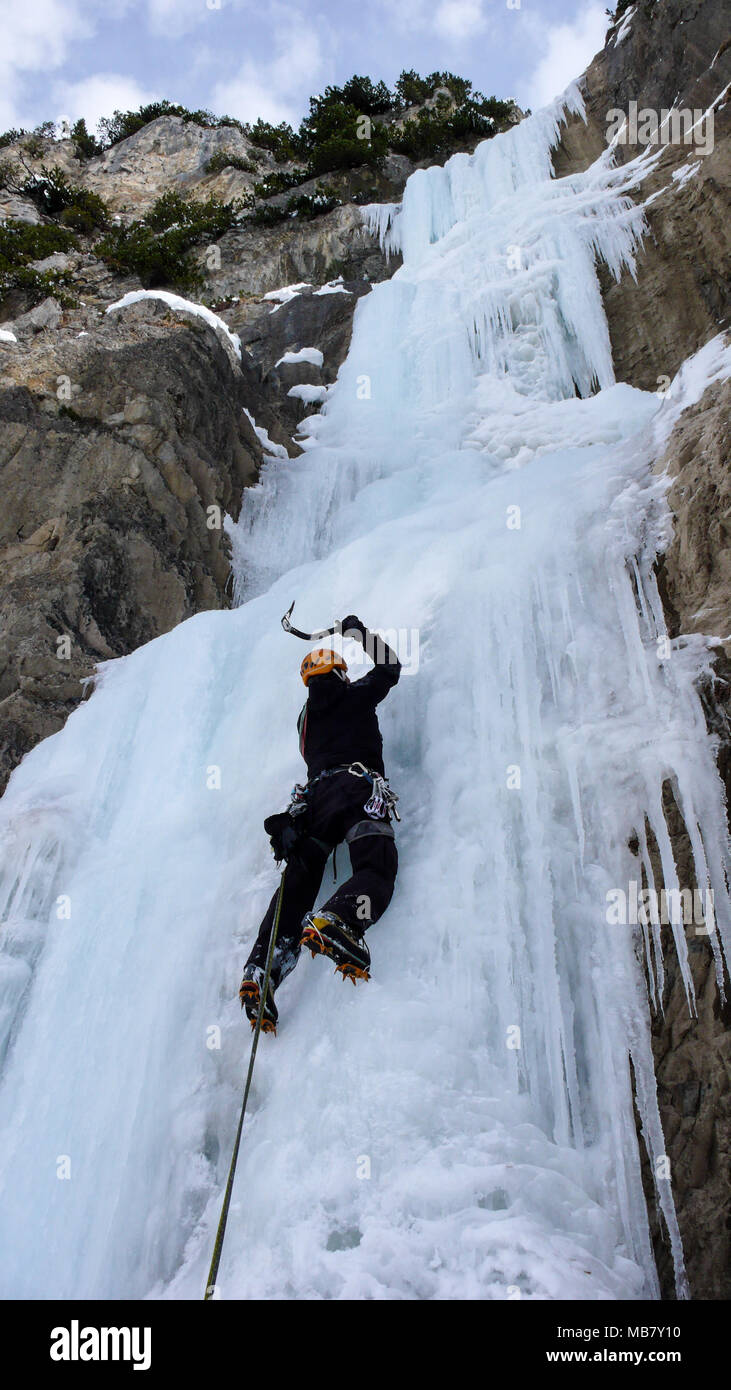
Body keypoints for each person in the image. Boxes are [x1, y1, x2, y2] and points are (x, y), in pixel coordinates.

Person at [239, 615, 401, 1033]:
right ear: (340, 673)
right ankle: (341, 919)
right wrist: (358, 632)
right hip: (355, 788)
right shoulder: (354, 695)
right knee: (375, 866)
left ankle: (262, 970)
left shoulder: (304, 723)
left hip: (313, 807)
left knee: (295, 889)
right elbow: (390, 668)